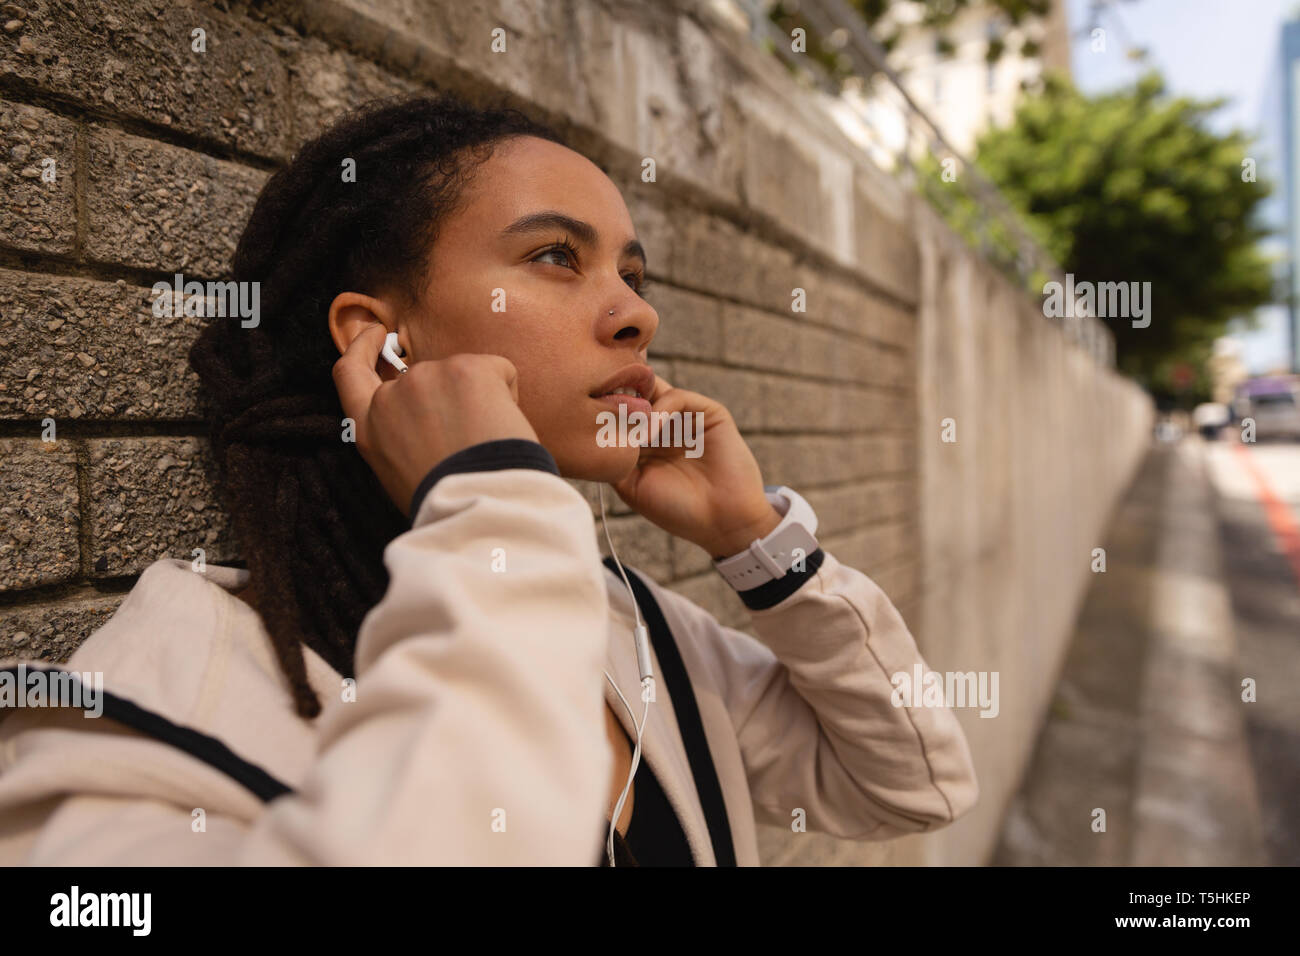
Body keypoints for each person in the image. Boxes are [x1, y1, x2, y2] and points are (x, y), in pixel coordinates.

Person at [0, 93, 978, 865]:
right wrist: (493, 493)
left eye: (633, 275)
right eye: (556, 257)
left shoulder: (635, 631)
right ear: (380, 343)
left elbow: (908, 786)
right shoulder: (156, 705)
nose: (635, 314)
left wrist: (760, 544)